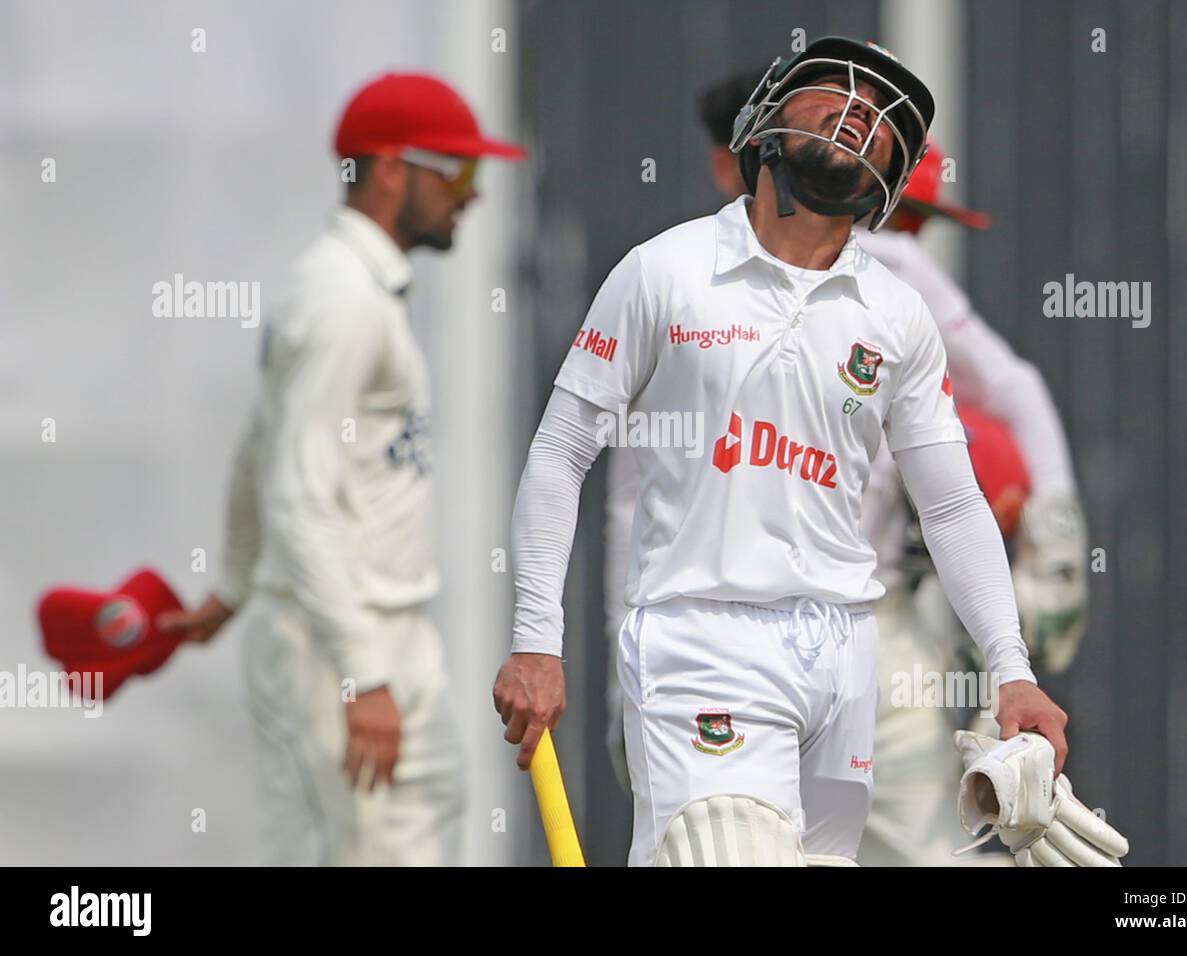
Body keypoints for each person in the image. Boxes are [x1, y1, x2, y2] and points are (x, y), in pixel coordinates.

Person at [494, 36, 1068, 867]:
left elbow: (949, 502)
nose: (856, 112)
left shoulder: (898, 313)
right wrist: (536, 639)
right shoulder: (664, 271)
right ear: (761, 127)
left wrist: (1012, 670)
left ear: (893, 174)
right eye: (830, 92)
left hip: (844, 654)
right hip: (701, 641)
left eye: (878, 114)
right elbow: (560, 455)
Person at [159, 72, 525, 865]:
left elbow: (263, 448)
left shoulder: (349, 289)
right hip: (342, 647)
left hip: (360, 636)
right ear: (393, 167)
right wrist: (365, 676)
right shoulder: (342, 302)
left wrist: (231, 587)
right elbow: (294, 489)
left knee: (401, 839)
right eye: (458, 172)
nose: (473, 195)